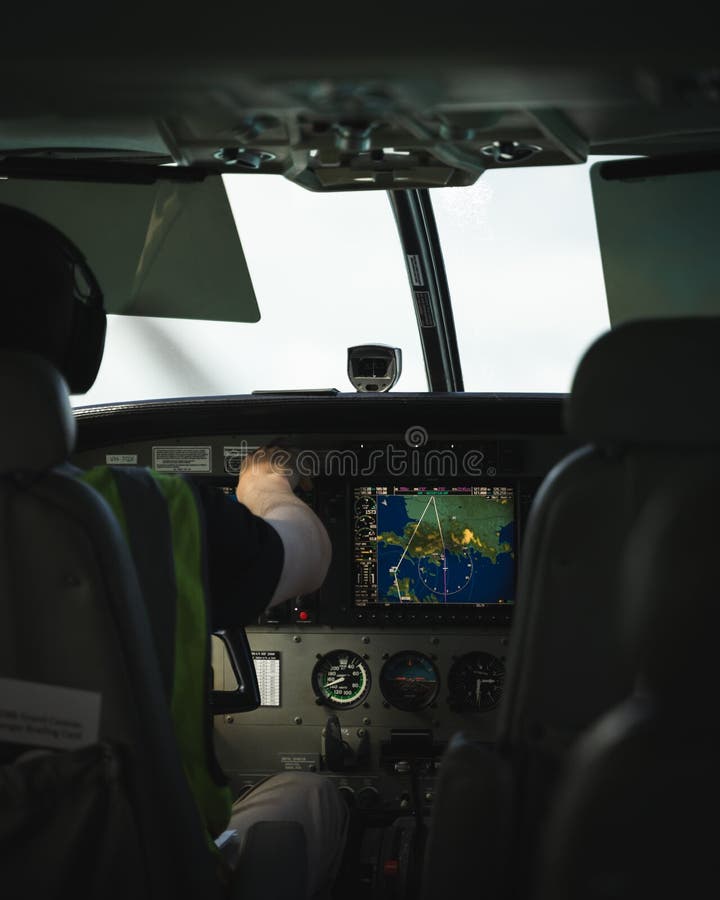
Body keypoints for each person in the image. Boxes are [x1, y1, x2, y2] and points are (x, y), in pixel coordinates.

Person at [0, 202, 348, 898]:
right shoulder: (148, 513)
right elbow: (310, 553)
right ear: (76, 346)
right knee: (312, 795)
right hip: (139, 877)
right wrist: (269, 489)